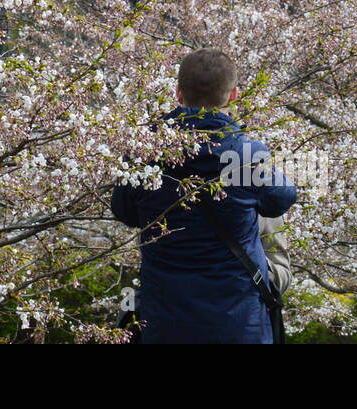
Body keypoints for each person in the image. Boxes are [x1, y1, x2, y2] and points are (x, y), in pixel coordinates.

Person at [111, 48, 297, 343]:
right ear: (234, 95)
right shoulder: (245, 158)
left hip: (165, 324)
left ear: (178, 94)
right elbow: (282, 199)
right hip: (238, 326)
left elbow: (124, 212)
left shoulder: (145, 153)